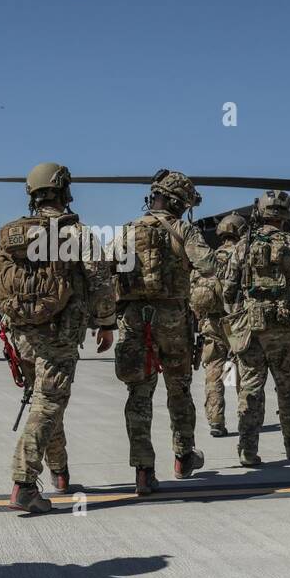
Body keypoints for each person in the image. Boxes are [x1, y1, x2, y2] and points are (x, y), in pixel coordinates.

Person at [0, 162, 116, 513]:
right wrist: (106, 323)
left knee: (45, 402)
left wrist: (18, 318)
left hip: (19, 334)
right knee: (49, 404)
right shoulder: (77, 234)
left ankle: (59, 472)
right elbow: (100, 281)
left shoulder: (11, 234)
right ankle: (24, 484)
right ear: (64, 190)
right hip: (59, 336)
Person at [112, 170, 215, 494]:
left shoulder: (127, 230)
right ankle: (183, 457)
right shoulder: (183, 229)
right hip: (172, 318)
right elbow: (209, 266)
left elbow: (104, 268)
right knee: (179, 389)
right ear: (176, 203)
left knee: (138, 394)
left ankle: (143, 471)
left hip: (133, 319)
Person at [221, 191, 290, 467]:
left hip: (249, 329)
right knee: (289, 389)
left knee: (251, 388)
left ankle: (247, 449)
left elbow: (228, 290)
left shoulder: (243, 245)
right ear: (287, 215)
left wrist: (237, 320)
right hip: (283, 329)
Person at [189, 212, 245, 438]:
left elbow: (193, 294)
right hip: (237, 322)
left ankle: (216, 422)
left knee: (214, 372)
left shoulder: (208, 259)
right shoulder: (242, 256)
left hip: (211, 323)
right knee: (243, 371)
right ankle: (246, 417)